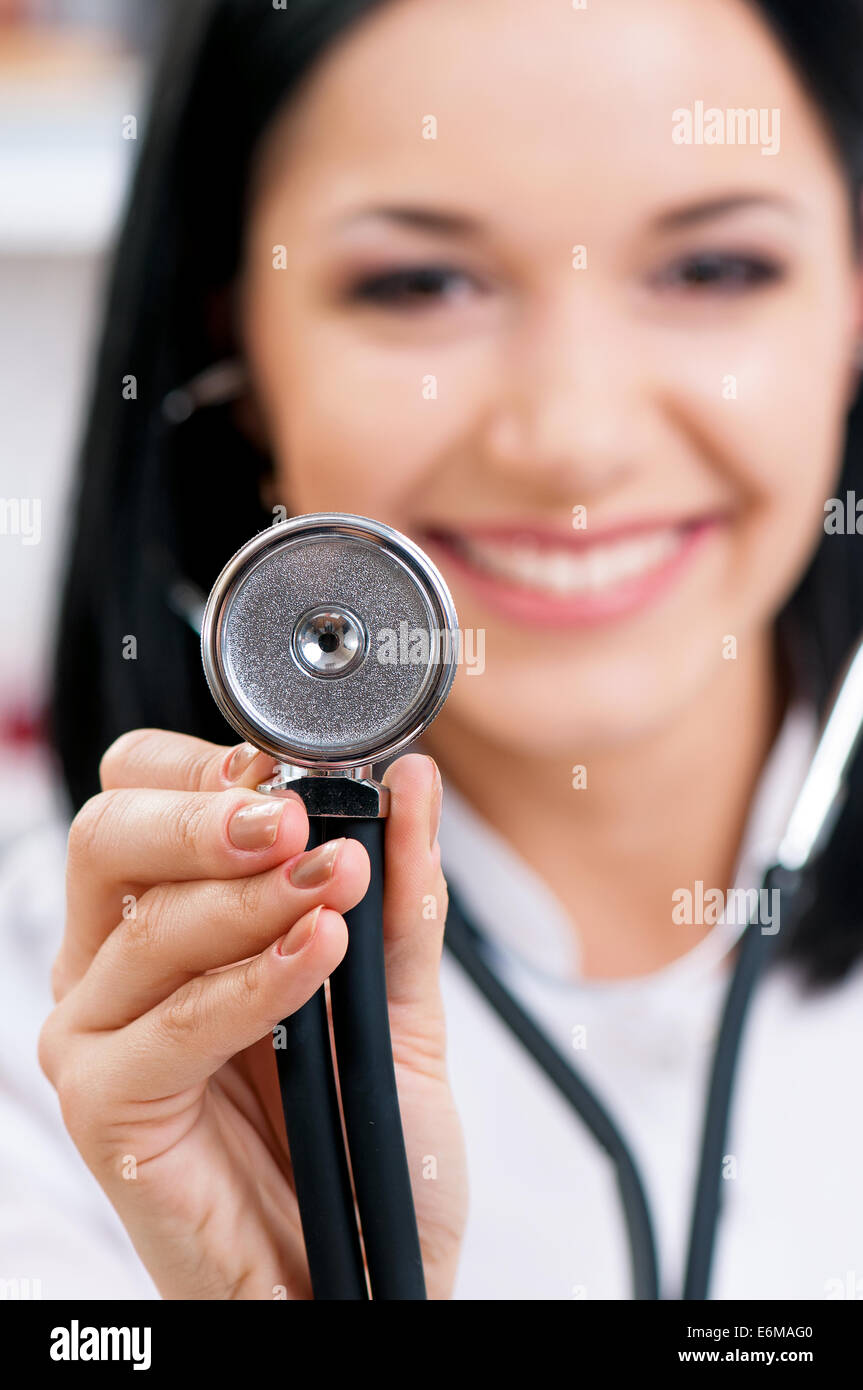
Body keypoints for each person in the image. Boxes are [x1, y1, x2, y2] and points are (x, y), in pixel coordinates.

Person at [3, 0, 863, 1300]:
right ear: (233, 336)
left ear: (855, 298)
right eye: (420, 283)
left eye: (713, 268)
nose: (573, 438)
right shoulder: (51, 1008)